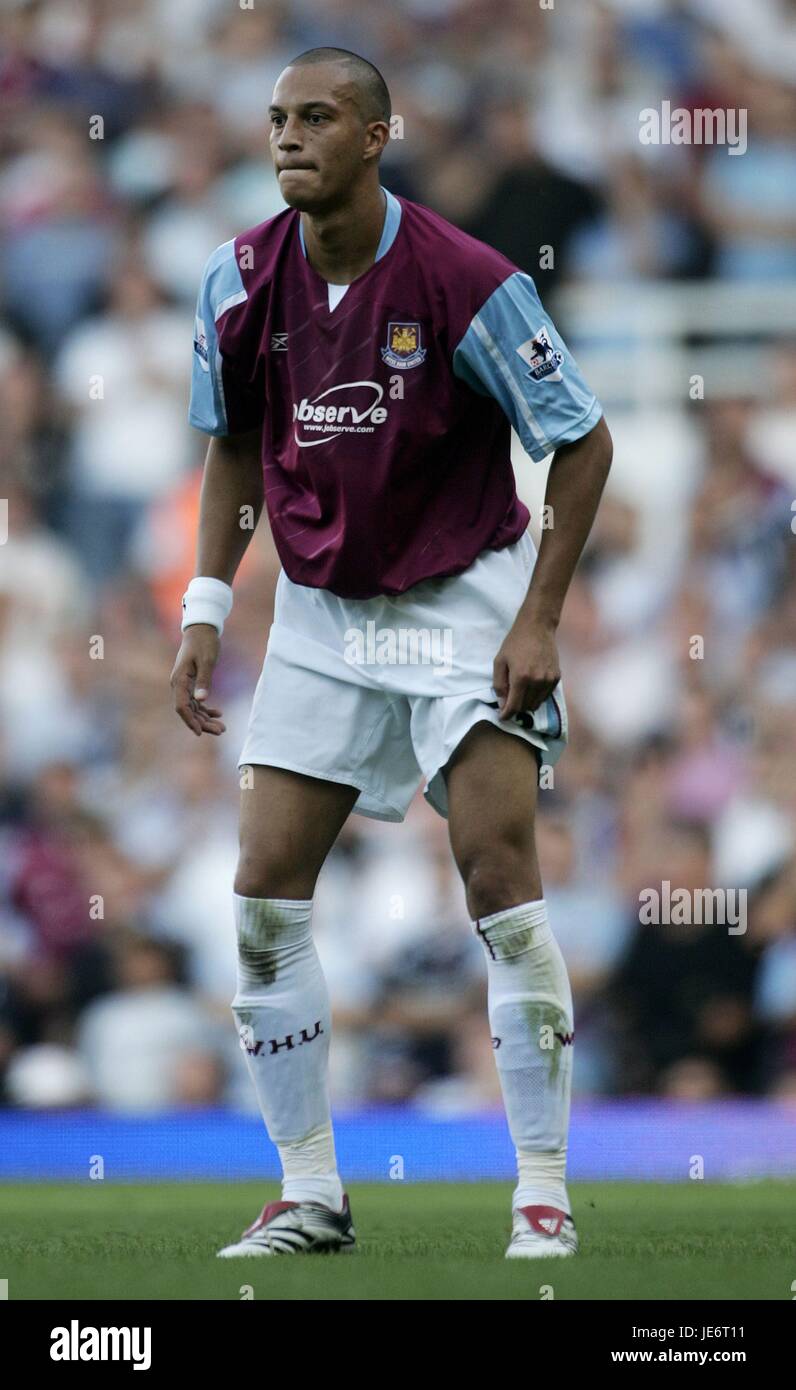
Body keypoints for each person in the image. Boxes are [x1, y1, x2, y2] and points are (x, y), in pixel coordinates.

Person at [170, 47, 612, 1260]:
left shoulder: (463, 278)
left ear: (375, 136)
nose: (287, 138)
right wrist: (208, 604)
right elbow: (232, 443)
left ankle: (540, 1190)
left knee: (497, 879)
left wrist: (539, 618)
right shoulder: (236, 277)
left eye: (316, 117)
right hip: (322, 612)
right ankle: (311, 1193)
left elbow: (580, 439)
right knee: (262, 897)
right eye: (275, 120)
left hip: (462, 598)